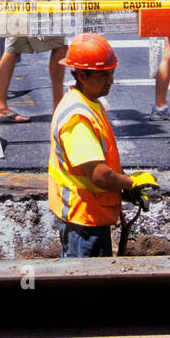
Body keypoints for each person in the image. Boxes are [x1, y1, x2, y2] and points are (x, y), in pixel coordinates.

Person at [48, 32, 157, 257]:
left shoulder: (89, 103)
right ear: (81, 75)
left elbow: (101, 163)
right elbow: (99, 175)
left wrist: (126, 186)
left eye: (111, 74)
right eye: (103, 75)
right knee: (86, 284)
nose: (111, 81)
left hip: (89, 216)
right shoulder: (78, 118)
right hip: (84, 220)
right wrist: (130, 183)